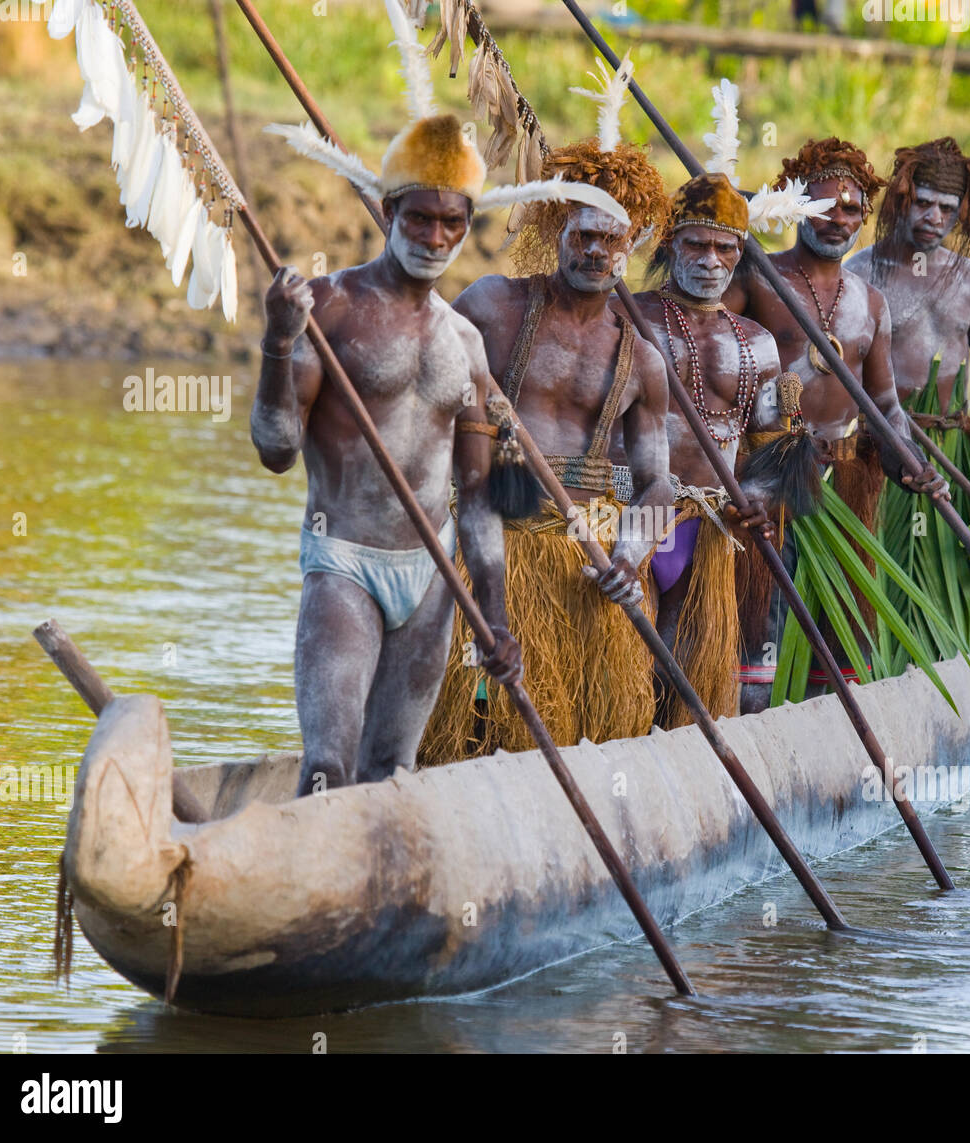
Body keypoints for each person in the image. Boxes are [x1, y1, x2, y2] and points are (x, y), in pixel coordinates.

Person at [252, 112, 522, 796]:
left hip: (431, 572)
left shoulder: (465, 343)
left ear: (467, 227)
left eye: (451, 224)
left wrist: (494, 613)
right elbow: (276, 449)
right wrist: (279, 344)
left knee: (391, 774)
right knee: (326, 770)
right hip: (344, 562)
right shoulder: (329, 308)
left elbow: (479, 494)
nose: (435, 237)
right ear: (388, 209)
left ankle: (375, 896)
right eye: (421, 218)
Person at [417, 130, 675, 763]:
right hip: (489, 535)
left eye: (610, 240)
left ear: (633, 244)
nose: (594, 250)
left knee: (582, 725)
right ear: (558, 228)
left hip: (585, 560)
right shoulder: (492, 304)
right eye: (582, 233)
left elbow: (658, 483)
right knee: (472, 715)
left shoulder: (642, 359)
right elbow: (420, 388)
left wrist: (631, 556)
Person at [722, 137, 943, 712]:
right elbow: (705, 356)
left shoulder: (870, 304)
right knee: (758, 629)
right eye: (822, 207)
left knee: (840, 634)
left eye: (850, 209)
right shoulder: (758, 279)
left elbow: (885, 406)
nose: (838, 219)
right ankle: (748, 730)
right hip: (767, 479)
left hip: (843, 480)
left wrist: (912, 463)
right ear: (795, 208)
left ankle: (834, 744)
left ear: (865, 216)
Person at [623, 171, 787, 728]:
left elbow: (771, 447)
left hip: (712, 532)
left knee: (684, 680)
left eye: (725, 248)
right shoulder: (627, 316)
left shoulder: (757, 343)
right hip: (630, 518)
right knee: (624, 673)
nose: (711, 260)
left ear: (740, 254)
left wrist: (760, 495)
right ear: (669, 244)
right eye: (696, 244)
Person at [847, 136, 970, 539]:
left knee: (942, 589)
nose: (934, 216)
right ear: (903, 200)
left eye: (946, 208)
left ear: (960, 214)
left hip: (952, 458)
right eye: (923, 203)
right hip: (880, 453)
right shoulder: (860, 274)